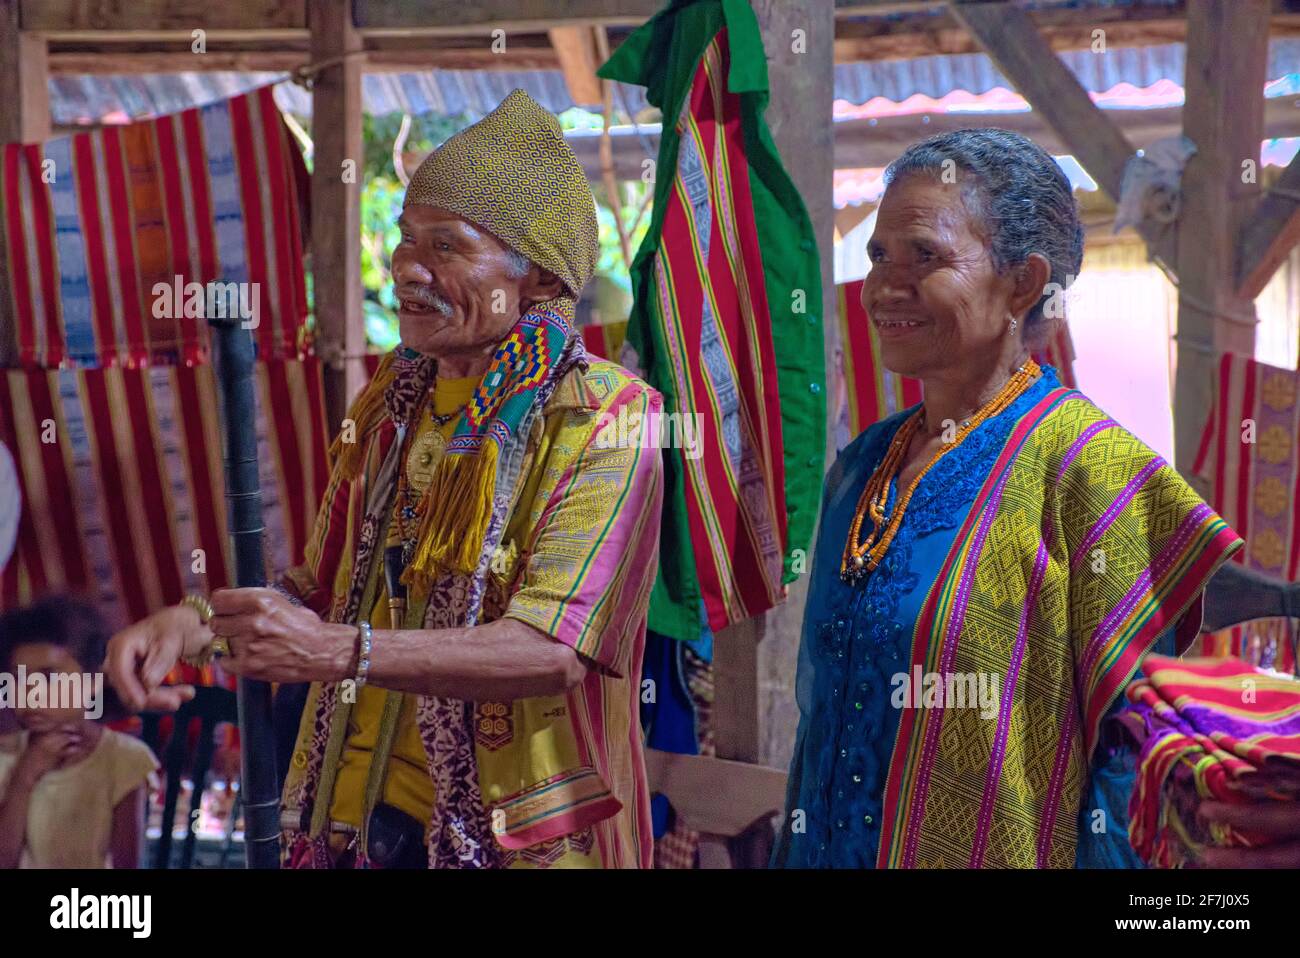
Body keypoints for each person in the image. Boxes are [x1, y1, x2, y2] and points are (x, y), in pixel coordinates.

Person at [104, 90, 663, 869]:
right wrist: (196, 625)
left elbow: (551, 650)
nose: (406, 267)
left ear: (533, 276)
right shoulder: (393, 405)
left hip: (522, 844)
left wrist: (343, 651)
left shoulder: (608, 416)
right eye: (404, 241)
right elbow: (319, 592)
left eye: (445, 246)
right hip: (360, 825)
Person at [773, 127, 1291, 869]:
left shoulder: (1093, 472)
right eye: (878, 256)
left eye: (926, 255)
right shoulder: (861, 467)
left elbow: (1137, 761)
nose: (885, 284)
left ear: (1023, 282)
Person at [0, 596, 157, 868]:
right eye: (18, 678)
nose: (28, 693)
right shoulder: (6, 755)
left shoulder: (125, 760)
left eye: (48, 678)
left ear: (93, 682)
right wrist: (23, 779)